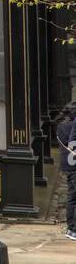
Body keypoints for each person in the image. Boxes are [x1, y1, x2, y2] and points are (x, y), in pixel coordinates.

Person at [56, 103, 76, 240]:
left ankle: (71, 228)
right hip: (74, 164)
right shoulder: (72, 126)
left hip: (68, 165)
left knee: (71, 197)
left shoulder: (61, 125)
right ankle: (73, 229)